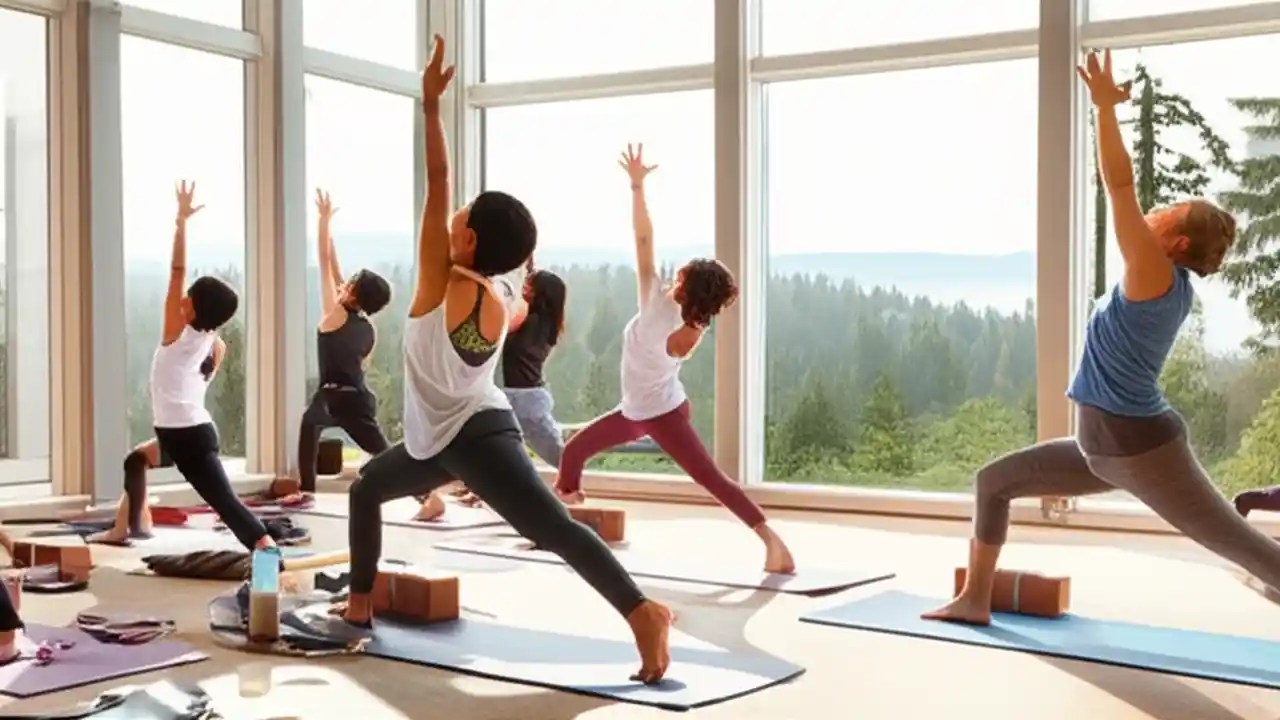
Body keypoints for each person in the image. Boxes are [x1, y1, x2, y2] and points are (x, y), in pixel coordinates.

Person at [332, 35, 672, 684]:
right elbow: (502, 250)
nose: (449, 215)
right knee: (368, 489)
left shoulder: (443, 281)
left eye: (458, 217)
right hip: (438, 440)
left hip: (477, 437)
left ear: (466, 237)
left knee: (553, 528)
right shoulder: (502, 289)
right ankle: (358, 604)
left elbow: (438, 179)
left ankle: (642, 613)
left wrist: (431, 108)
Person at [923, 50, 1280, 626]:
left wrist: (1104, 110)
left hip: (1141, 449)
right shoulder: (1159, 278)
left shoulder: (1156, 273)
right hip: (1101, 448)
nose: (1158, 214)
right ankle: (975, 601)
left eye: (1171, 214)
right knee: (993, 482)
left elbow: (1118, 184)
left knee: (1246, 549)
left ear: (1179, 244)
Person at [554, 143, 796, 575]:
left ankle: (773, 542)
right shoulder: (691, 326)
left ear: (683, 284)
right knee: (573, 454)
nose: (674, 273)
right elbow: (649, 249)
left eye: (681, 273)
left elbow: (643, 237)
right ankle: (567, 514)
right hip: (638, 409)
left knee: (710, 479)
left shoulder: (657, 305)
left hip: (662, 413)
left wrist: (636, 186)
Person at [88, 181, 276, 555]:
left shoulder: (178, 332)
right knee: (135, 460)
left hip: (188, 437)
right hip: (182, 433)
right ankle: (127, 528)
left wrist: (181, 222)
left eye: (189, 295)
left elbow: (176, 271)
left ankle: (271, 555)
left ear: (194, 307)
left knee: (227, 506)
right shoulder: (213, 341)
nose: (182, 296)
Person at [294, 188, 394, 495]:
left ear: (352, 294)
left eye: (349, 284)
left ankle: (307, 491)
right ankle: (425, 494)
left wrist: (322, 222)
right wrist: (330, 233)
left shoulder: (335, 314)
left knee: (310, 426)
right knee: (383, 453)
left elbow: (324, 264)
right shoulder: (366, 327)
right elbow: (336, 272)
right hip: (356, 398)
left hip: (335, 398)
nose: (343, 283)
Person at [501, 258, 568, 467]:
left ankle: (577, 481)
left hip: (524, 399)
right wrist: (526, 262)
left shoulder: (531, 323)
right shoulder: (546, 324)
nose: (524, 288)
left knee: (557, 455)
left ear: (540, 294)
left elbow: (505, 321)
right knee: (499, 445)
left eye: (530, 285)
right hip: (526, 396)